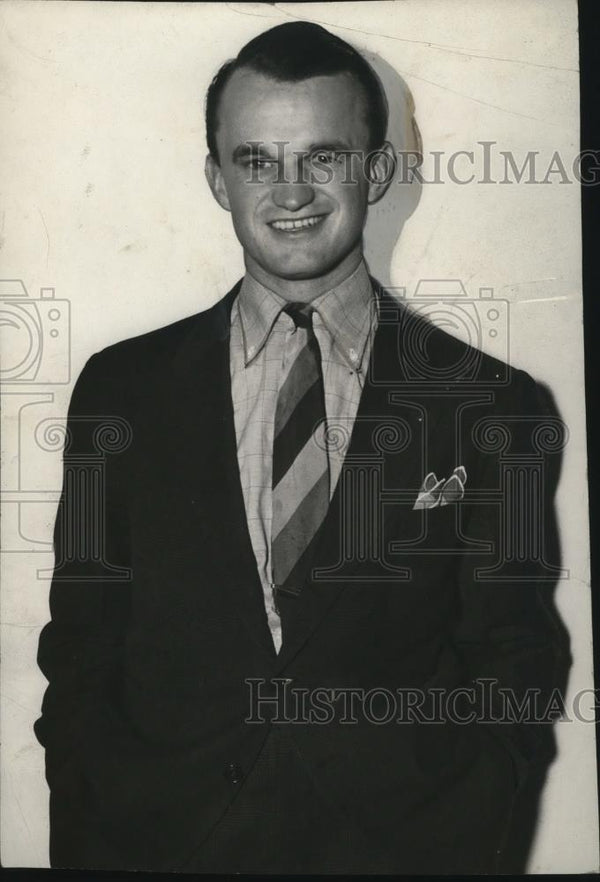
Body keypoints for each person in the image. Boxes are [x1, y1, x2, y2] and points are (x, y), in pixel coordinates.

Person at [35, 21, 571, 874]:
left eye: (324, 157)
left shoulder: (490, 405)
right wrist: (92, 812)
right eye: (257, 160)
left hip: (403, 853)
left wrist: (475, 813)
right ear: (217, 178)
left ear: (378, 171)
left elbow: (516, 652)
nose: (291, 192)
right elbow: (82, 642)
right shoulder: (121, 390)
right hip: (158, 845)